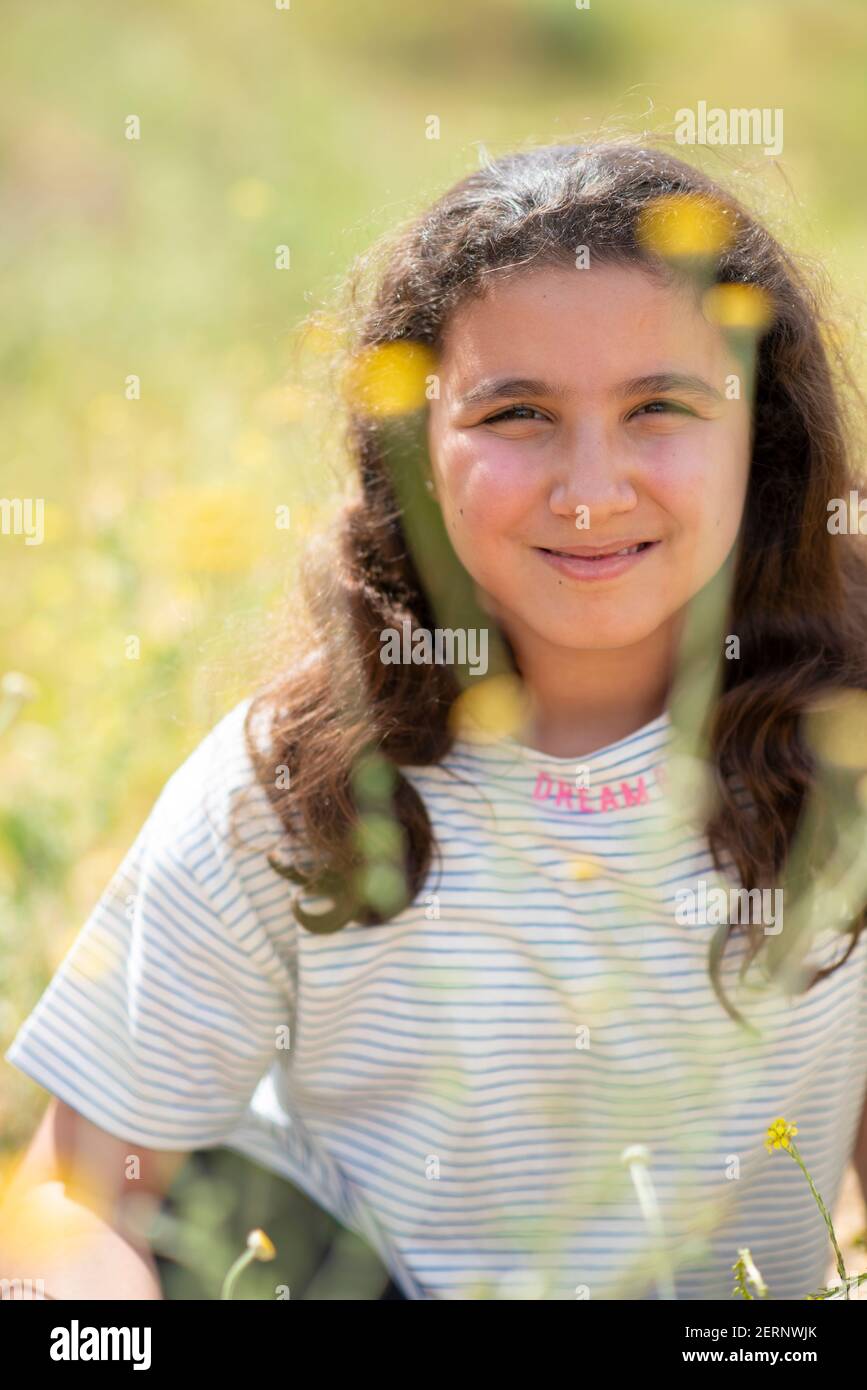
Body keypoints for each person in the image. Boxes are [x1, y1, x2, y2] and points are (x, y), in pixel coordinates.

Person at [4, 141, 867, 1301]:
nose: (591, 487)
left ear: (762, 440)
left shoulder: (846, 757)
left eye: (660, 405)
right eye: (517, 414)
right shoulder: (296, 778)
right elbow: (74, 1195)